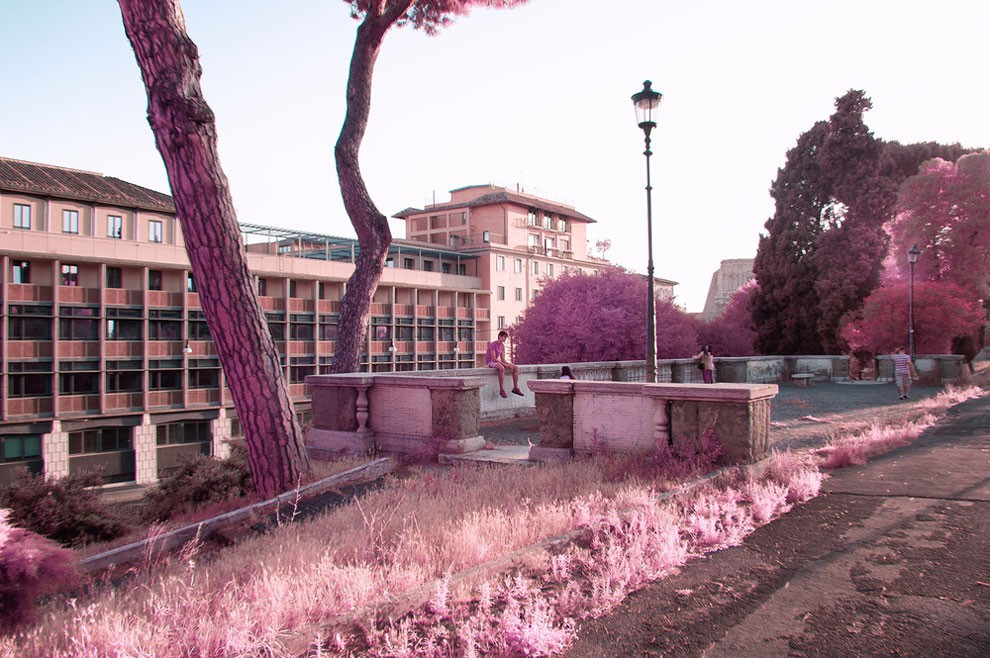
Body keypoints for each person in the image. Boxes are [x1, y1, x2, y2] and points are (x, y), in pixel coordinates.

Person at [486, 330, 522, 398]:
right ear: (500, 336)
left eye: (506, 337)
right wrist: (505, 365)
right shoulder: (492, 344)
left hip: (497, 361)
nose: (505, 339)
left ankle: (515, 388)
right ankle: (501, 390)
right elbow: (494, 359)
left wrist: (509, 364)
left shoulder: (502, 346)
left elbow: (503, 359)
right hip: (490, 362)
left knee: (516, 368)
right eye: (504, 337)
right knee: (501, 368)